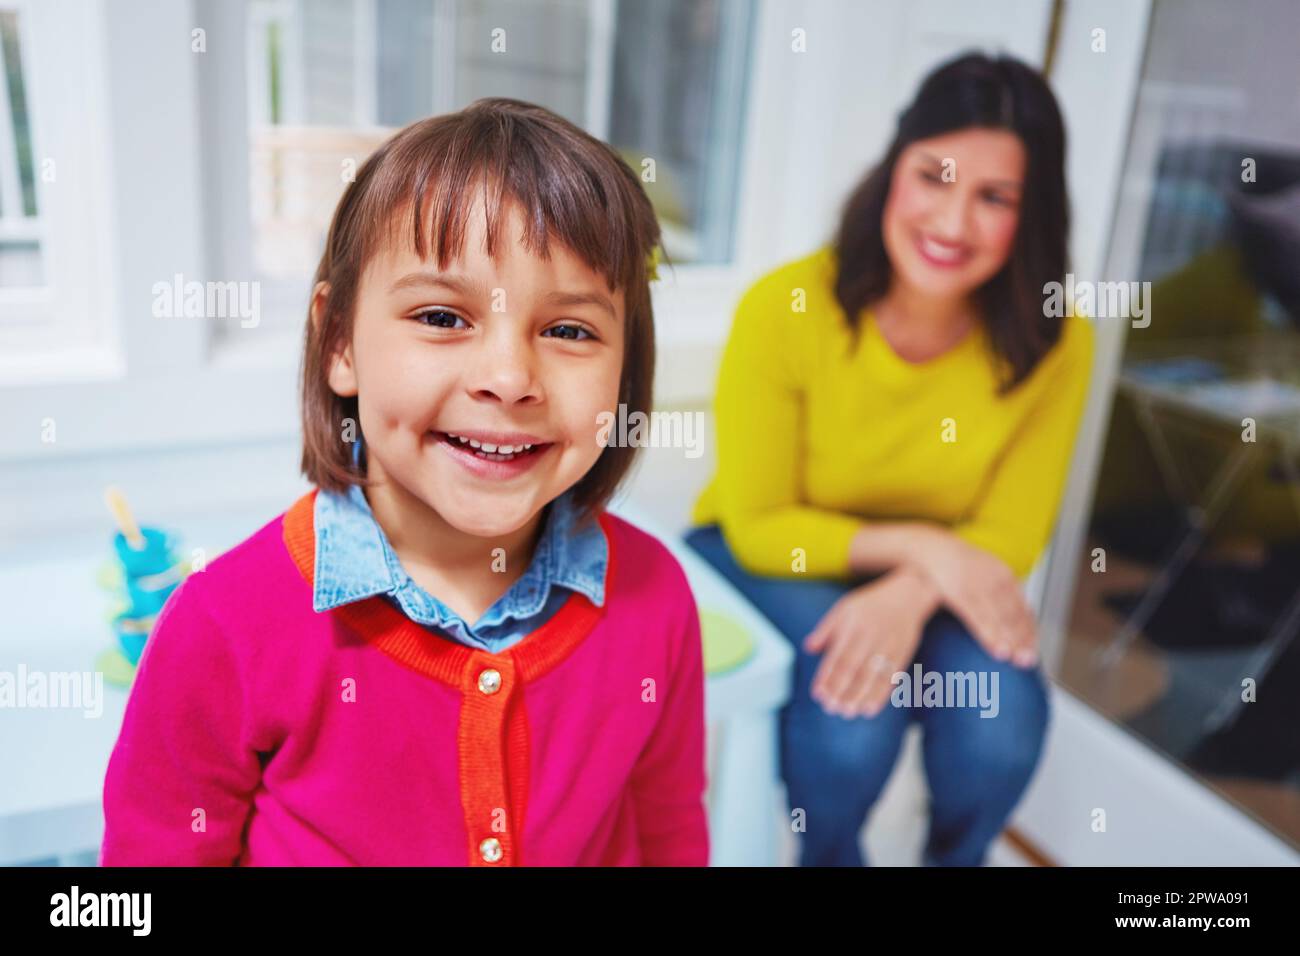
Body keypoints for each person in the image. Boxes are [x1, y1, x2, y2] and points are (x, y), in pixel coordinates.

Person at [101, 98, 708, 866]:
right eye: (441, 317)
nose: (508, 377)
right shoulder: (223, 626)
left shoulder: (656, 597)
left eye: (568, 330)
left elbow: (669, 827)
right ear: (340, 341)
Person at [687, 53, 1093, 866]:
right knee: (852, 724)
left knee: (999, 724)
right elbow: (763, 522)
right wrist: (924, 547)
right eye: (933, 177)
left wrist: (911, 589)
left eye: (994, 198)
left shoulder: (1059, 340)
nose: (951, 222)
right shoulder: (785, 308)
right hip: (769, 551)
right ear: (893, 169)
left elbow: (1011, 531)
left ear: (1032, 214)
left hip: (940, 576)